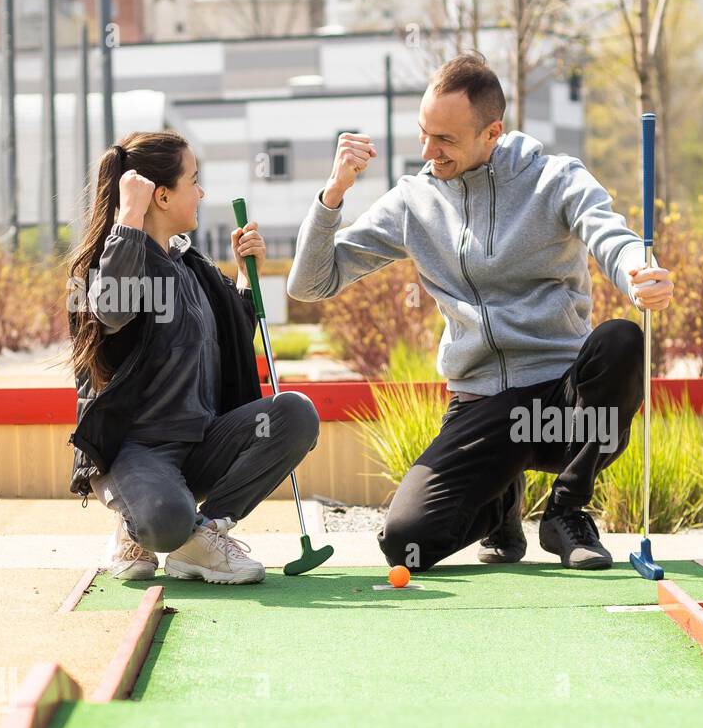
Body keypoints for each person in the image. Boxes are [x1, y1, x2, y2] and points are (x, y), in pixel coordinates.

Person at [287, 52, 674, 572]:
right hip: (483, 406)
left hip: (561, 409)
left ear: (492, 132)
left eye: (445, 139)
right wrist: (333, 195)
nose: (429, 151)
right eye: (424, 133)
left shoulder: (556, 179)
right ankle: (498, 504)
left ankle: (566, 512)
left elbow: (610, 236)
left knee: (622, 340)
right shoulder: (414, 201)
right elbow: (310, 284)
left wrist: (638, 273)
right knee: (406, 544)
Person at [66, 130, 321, 584]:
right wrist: (129, 215)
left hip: (202, 443)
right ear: (162, 196)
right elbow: (111, 308)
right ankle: (139, 522)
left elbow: (233, 336)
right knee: (165, 522)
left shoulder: (190, 265)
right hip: (136, 451)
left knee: (295, 413)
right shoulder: (115, 263)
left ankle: (204, 535)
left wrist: (245, 276)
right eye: (193, 180)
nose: (201, 193)